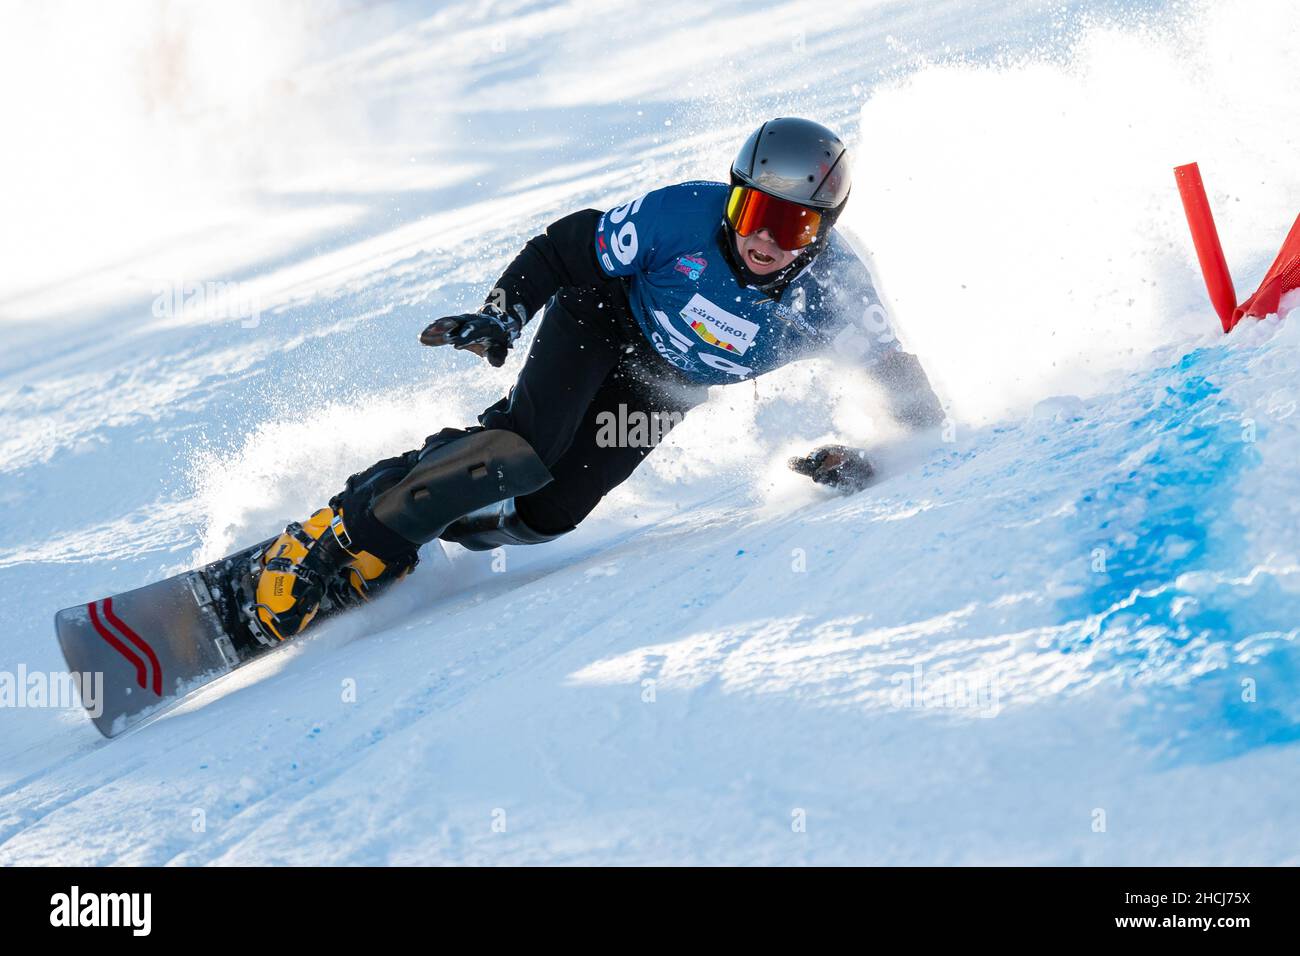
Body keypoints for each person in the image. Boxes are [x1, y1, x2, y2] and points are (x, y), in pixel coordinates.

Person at [249, 117, 943, 642]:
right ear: (732, 199)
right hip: (601, 322)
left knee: (547, 513)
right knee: (522, 449)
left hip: (661, 386)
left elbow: (917, 409)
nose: (764, 240)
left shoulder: (834, 300)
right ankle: (341, 532)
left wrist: (874, 461)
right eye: (755, 213)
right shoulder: (680, 219)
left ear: (822, 233)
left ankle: (416, 524)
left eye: (791, 226)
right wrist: (503, 315)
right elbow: (563, 249)